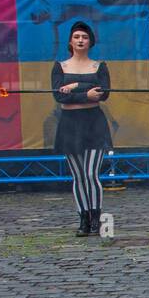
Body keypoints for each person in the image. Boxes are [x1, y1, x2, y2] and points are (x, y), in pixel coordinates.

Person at [52, 21, 111, 236]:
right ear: (70, 41)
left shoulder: (99, 66)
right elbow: (59, 96)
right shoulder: (61, 66)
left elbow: (103, 93)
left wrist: (75, 88)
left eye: (84, 37)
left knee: (91, 173)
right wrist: (86, 93)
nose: (80, 40)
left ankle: (96, 218)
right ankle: (83, 219)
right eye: (76, 37)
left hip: (93, 122)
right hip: (70, 123)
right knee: (78, 176)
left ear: (90, 41)